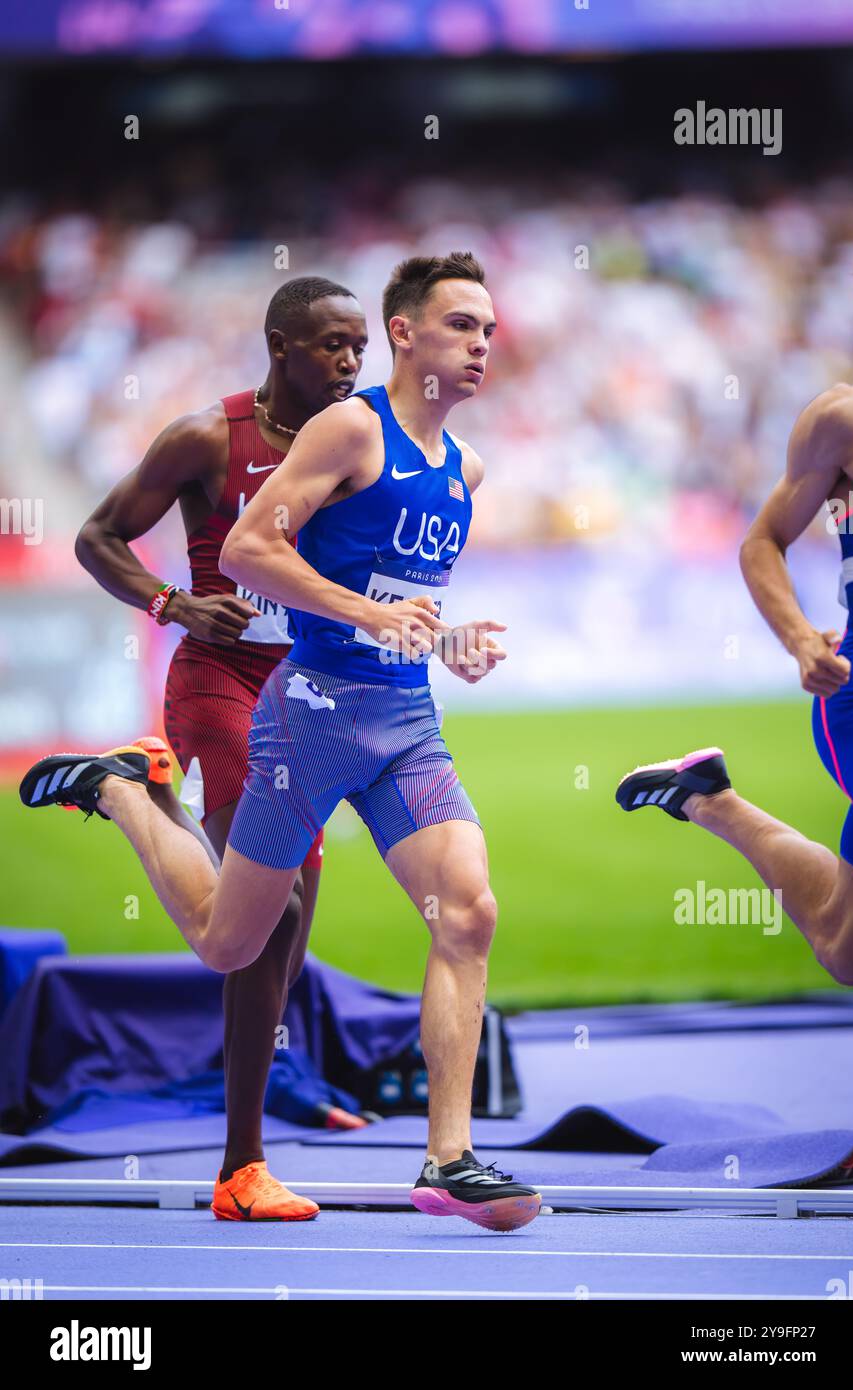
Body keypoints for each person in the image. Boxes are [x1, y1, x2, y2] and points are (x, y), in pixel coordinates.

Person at [22, 251, 541, 1231]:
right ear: (406, 334)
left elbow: (402, 602)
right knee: (234, 943)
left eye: (488, 329)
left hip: (406, 722)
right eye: (461, 325)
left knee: (467, 911)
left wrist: (449, 639)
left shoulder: (464, 467)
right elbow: (256, 546)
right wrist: (346, 613)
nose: (481, 344)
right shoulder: (349, 427)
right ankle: (128, 793)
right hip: (307, 713)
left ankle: (448, 1156)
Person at [69, 276, 370, 1220]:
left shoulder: (360, 442)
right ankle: (242, 1170)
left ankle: (273, 1082)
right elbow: (96, 535)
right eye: (332, 346)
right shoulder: (206, 437)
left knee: (289, 929)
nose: (352, 363)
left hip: (313, 692)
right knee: (268, 912)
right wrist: (171, 603)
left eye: (362, 346)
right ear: (280, 346)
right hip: (218, 681)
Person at [616, 314, 853, 994]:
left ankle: (711, 800)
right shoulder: (843, 419)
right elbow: (761, 541)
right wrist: (799, 639)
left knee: (849, 951)